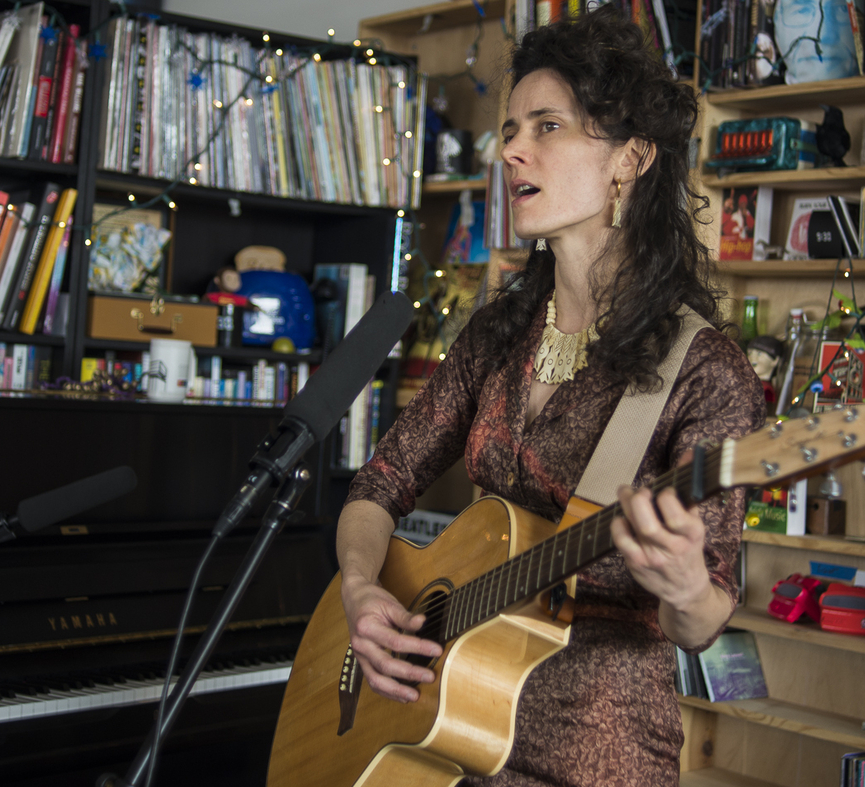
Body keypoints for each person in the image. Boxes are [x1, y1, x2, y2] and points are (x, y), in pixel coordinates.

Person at [336, 7, 765, 786]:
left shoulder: (705, 371)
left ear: (630, 158)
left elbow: (702, 620)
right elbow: (379, 483)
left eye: (547, 126)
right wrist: (362, 590)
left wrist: (684, 585)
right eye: (509, 130)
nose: (511, 149)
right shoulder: (497, 335)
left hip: (595, 752)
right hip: (446, 724)